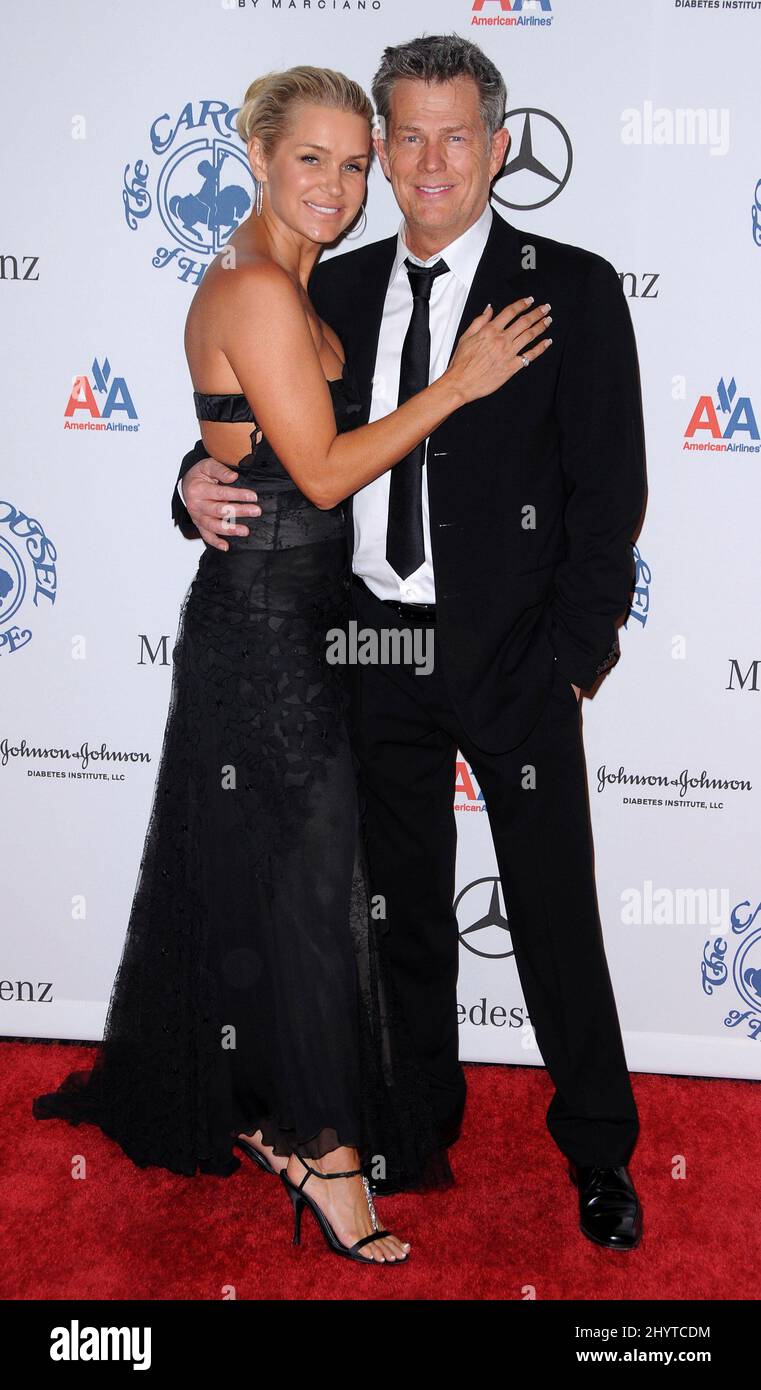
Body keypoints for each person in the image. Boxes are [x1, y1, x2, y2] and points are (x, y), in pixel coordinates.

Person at [33, 64, 552, 1267]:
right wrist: (456, 384)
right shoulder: (262, 290)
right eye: (311, 159)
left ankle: (271, 1111)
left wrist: (190, 471)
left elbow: (252, 445)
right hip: (265, 636)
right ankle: (325, 1157)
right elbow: (317, 475)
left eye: (354, 161)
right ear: (256, 157)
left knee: (291, 890)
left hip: (314, 625)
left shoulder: (297, 285)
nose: (340, 184)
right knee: (317, 899)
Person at [174, 37, 648, 1253]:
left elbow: (609, 497)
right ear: (380, 153)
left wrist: (568, 658)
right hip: (365, 650)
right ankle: (412, 1127)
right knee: (396, 916)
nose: (430, 161)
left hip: (510, 661)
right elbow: (266, 441)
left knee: (550, 912)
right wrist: (183, 483)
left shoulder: (571, 287)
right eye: (408, 137)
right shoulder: (328, 284)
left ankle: (598, 1149)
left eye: (456, 135)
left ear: (496, 144)